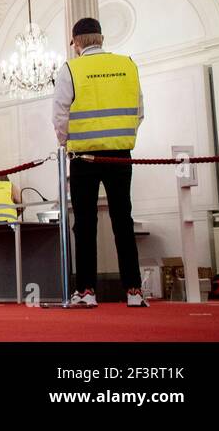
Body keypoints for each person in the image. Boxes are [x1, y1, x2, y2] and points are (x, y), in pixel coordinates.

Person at [53, 16, 147, 308]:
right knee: (123, 220)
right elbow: (139, 111)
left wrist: (65, 142)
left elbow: (60, 115)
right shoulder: (127, 64)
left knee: (84, 223)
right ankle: (133, 291)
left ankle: (87, 291)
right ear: (102, 39)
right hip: (120, 154)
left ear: (77, 43)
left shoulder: (71, 68)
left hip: (84, 157)